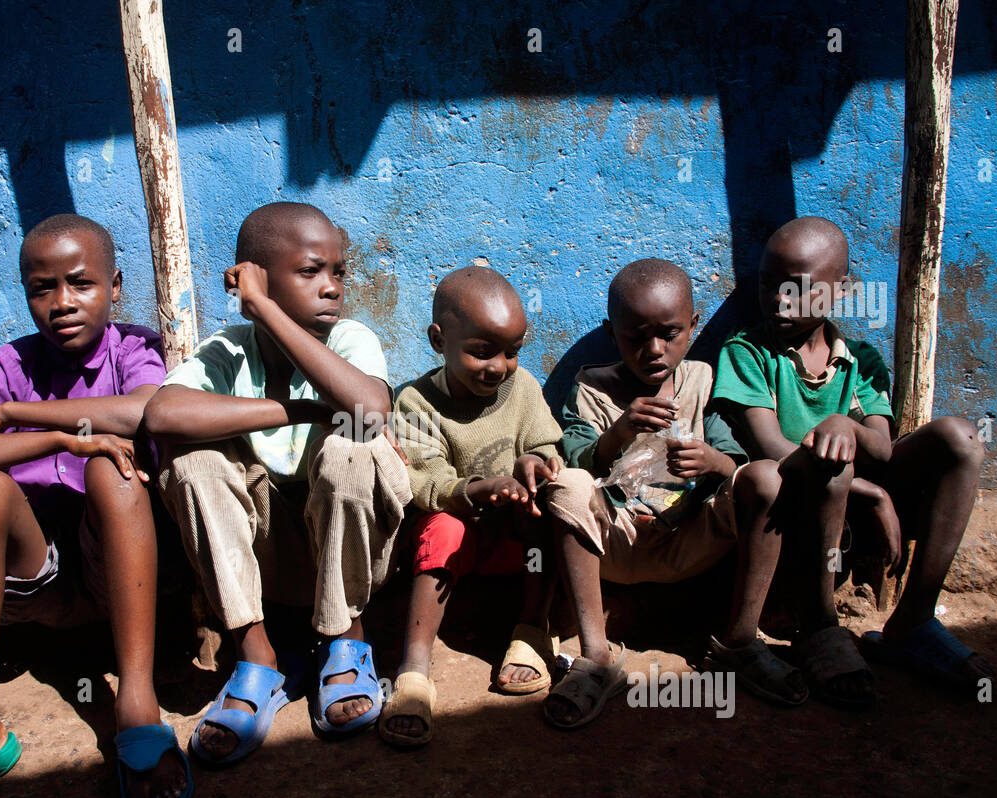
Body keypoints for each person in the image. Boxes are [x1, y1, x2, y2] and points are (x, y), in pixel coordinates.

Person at [0, 213, 191, 798]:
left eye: (81, 284)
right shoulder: (7, 362)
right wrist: (55, 438)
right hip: (33, 576)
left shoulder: (136, 350)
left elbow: (146, 411)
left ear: (115, 288)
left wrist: (18, 420)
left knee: (114, 469)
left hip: (114, 567)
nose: (62, 303)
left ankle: (136, 702)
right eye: (42, 288)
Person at [144, 201, 412, 765]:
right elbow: (163, 416)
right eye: (311, 271)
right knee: (192, 463)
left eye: (339, 271)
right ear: (255, 277)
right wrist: (293, 408)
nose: (332, 288)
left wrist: (272, 312)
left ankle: (347, 642)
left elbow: (368, 409)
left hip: (340, 561)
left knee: (351, 452)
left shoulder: (350, 340)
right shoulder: (230, 348)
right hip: (265, 562)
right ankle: (257, 656)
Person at [712, 216, 993, 706]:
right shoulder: (748, 352)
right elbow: (772, 449)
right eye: (768, 285)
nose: (780, 300)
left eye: (798, 289)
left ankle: (914, 620)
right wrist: (869, 487)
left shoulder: (859, 359)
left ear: (841, 291)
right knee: (832, 459)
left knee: (961, 438)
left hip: (853, 503)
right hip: (794, 501)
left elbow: (882, 449)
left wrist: (848, 429)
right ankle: (820, 624)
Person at [384, 265, 622, 741]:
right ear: (438, 339)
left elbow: (547, 446)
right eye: (481, 352)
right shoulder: (415, 402)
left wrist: (535, 463)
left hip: (518, 540)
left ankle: (532, 629)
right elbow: (424, 479)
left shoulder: (523, 388)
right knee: (443, 525)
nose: (499, 366)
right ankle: (413, 669)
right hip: (459, 541)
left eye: (513, 351)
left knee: (543, 504)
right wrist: (474, 490)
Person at [558, 258, 805, 711]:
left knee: (767, 477)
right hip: (617, 542)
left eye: (669, 334)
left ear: (693, 326)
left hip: (691, 539)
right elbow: (576, 457)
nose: (654, 349)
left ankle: (740, 642)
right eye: (636, 336)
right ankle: (596, 658)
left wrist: (712, 460)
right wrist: (620, 431)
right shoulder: (590, 389)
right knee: (569, 484)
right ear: (612, 334)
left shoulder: (702, 383)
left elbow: (738, 464)